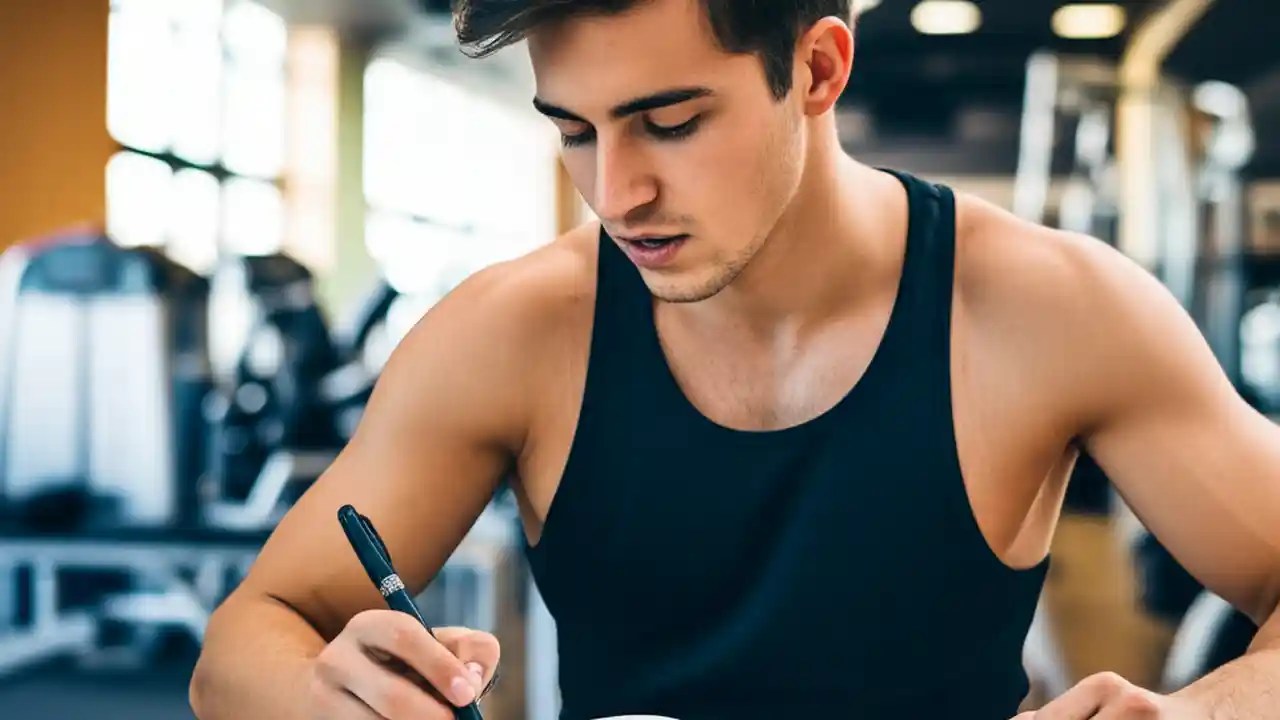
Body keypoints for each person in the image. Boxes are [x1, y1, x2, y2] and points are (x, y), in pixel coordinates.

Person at [189, 1, 1280, 718]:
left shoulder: (1050, 309)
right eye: (574, 131)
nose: (615, 192)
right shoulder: (510, 332)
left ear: (814, 66)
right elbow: (246, 637)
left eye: (667, 122)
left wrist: (1196, 711)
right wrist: (326, 698)